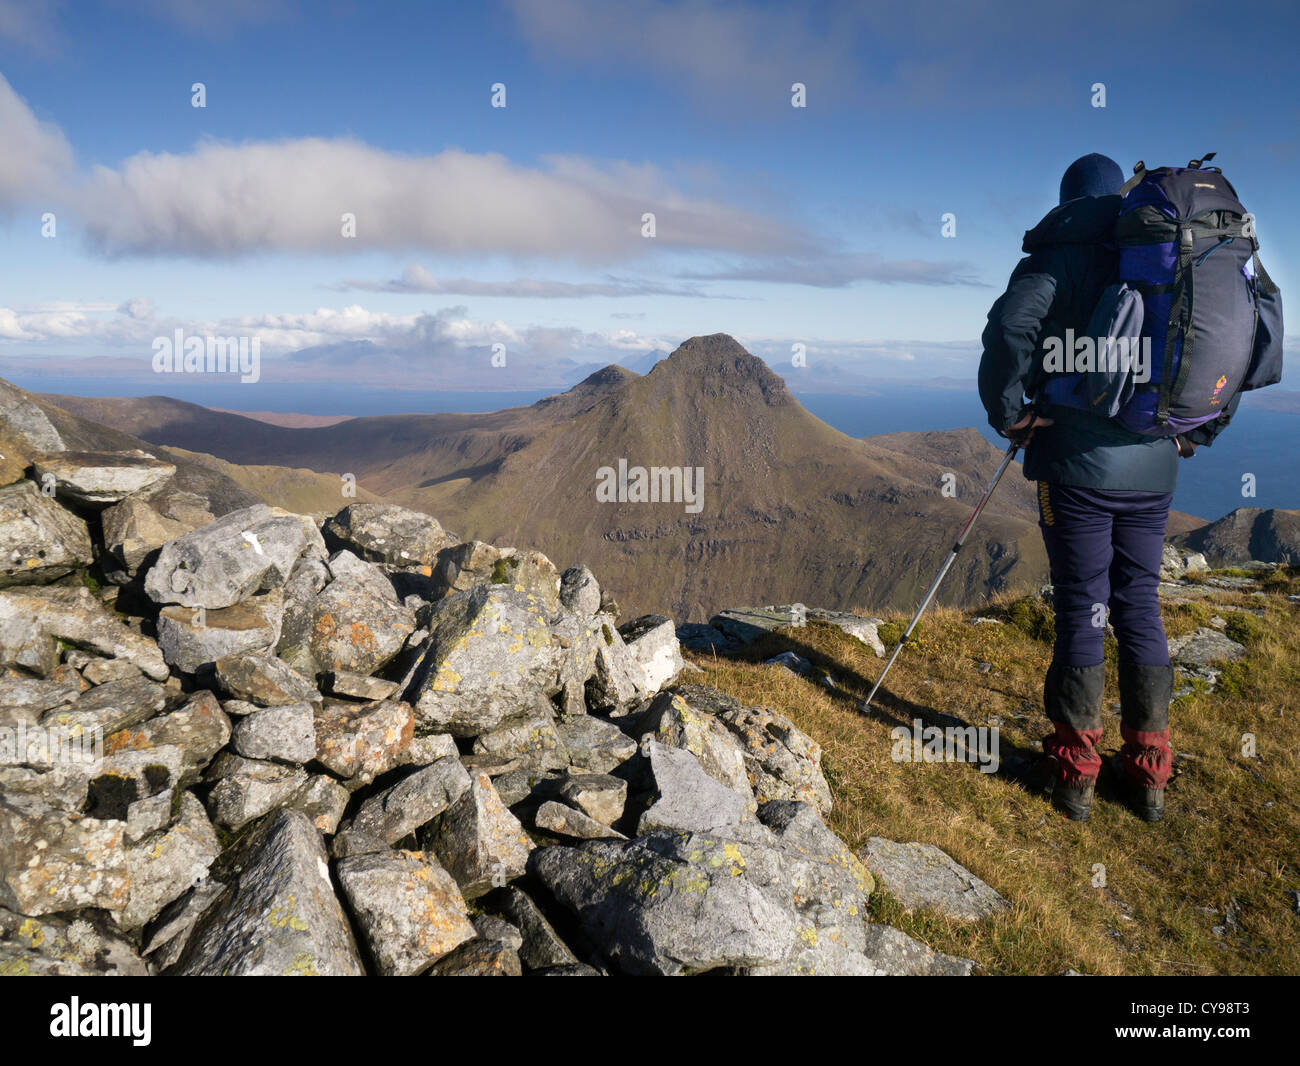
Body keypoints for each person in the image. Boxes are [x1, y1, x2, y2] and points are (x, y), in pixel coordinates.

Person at [977, 153, 1239, 822]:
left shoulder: (1059, 252)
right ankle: (1150, 774)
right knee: (1139, 604)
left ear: (1069, 196)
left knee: (1082, 608)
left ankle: (1074, 777)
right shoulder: (1167, 257)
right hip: (1155, 466)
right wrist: (1193, 433)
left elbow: (1011, 328)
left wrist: (1009, 410)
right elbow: (1233, 345)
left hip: (1075, 468)